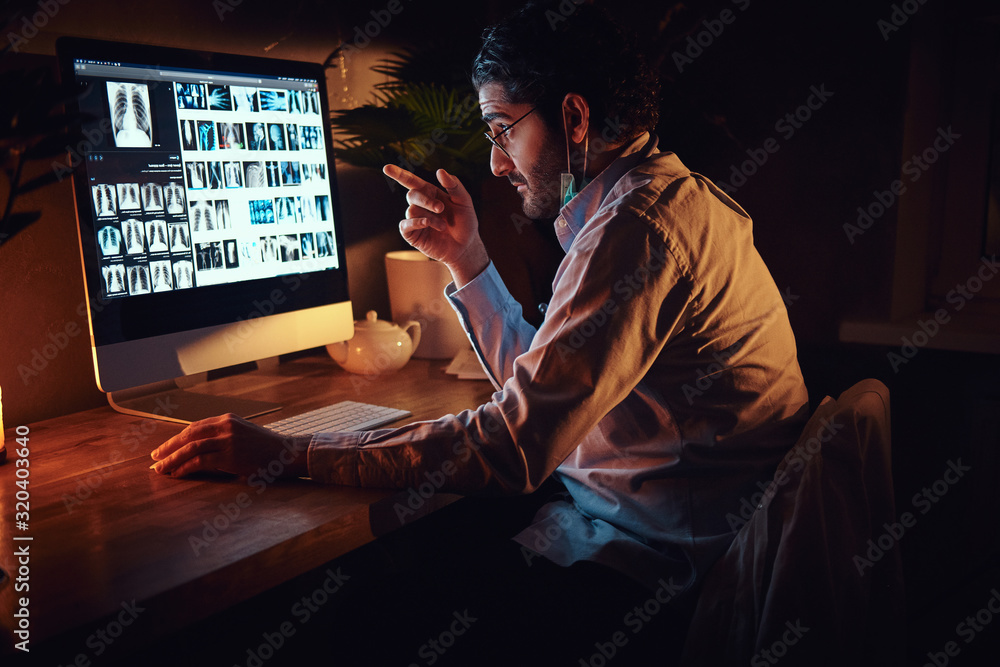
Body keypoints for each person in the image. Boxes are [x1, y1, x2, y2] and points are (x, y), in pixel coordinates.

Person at [151, 1, 808, 662]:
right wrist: (466, 260)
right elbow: (547, 396)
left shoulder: (635, 232)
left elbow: (515, 445)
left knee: (353, 617)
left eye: (502, 130)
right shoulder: (663, 201)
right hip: (640, 528)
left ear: (574, 119)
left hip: (656, 575)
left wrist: (292, 454)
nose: (496, 163)